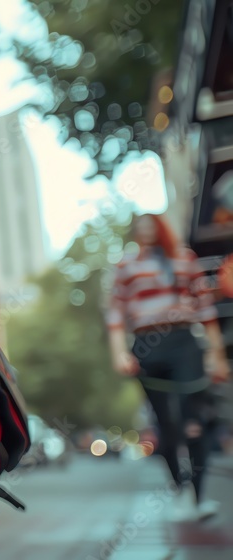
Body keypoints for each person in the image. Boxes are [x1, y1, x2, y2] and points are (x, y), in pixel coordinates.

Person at [107, 213, 230, 522]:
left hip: (184, 343)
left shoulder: (185, 259)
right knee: (165, 425)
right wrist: (119, 352)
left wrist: (216, 356)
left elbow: (205, 309)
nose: (146, 231)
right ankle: (181, 490)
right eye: (140, 227)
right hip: (147, 347)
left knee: (193, 421)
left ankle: (199, 496)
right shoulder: (126, 266)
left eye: (151, 225)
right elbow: (115, 313)